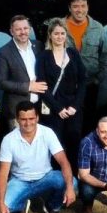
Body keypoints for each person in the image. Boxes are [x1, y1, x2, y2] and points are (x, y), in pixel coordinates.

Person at [0, 102, 76, 213]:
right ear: (17, 119)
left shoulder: (47, 132)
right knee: (6, 206)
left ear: (37, 117)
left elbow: (63, 161)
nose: (28, 123)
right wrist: (1, 203)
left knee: (72, 183)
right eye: (23, 119)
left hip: (45, 177)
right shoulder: (9, 139)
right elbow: (3, 173)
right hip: (20, 180)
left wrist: (69, 188)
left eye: (31, 118)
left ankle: (52, 207)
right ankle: (22, 203)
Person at [37, 17, 89, 159]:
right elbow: (42, 86)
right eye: (56, 33)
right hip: (53, 108)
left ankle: (73, 176)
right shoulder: (43, 57)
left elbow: (83, 80)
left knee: (74, 141)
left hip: (73, 108)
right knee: (56, 145)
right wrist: (58, 108)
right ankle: (57, 178)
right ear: (50, 35)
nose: (59, 37)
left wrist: (75, 105)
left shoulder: (72, 53)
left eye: (62, 33)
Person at [0, 14, 47, 124]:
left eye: (25, 28)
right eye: (18, 29)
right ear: (11, 31)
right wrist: (28, 86)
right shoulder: (3, 53)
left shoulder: (38, 46)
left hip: (39, 108)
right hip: (17, 111)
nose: (23, 32)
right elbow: (1, 82)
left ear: (30, 29)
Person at [64, 0, 107, 111]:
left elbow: (106, 55)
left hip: (90, 85)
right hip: (64, 85)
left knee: (89, 121)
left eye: (83, 6)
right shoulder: (59, 26)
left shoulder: (97, 28)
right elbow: (49, 53)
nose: (80, 10)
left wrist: (98, 79)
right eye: (75, 6)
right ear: (69, 8)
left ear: (88, 7)